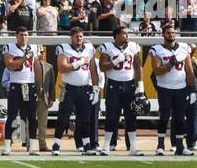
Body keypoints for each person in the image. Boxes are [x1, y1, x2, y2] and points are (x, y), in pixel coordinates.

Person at [150, 23, 197, 156]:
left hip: (181, 88)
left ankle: (180, 146)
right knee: (164, 117)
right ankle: (160, 145)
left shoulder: (184, 47)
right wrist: (170, 64)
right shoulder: (157, 49)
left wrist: (192, 89)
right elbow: (157, 71)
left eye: (173, 33)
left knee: (180, 118)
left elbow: (189, 70)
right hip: (165, 88)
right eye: (169, 33)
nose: (171, 35)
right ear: (163, 35)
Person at [98, 24, 144, 156]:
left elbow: (138, 66)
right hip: (113, 86)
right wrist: (116, 61)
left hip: (129, 86)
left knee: (131, 116)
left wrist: (140, 86)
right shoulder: (107, 47)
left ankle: (133, 147)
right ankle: (106, 146)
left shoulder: (133, 46)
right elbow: (102, 67)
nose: (127, 36)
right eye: (124, 34)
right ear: (117, 35)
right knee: (112, 117)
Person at [53, 26, 98, 156]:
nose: (79, 39)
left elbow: (93, 69)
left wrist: (95, 88)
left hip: (85, 88)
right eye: (76, 36)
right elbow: (62, 68)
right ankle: (56, 144)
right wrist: (79, 63)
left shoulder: (89, 48)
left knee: (85, 119)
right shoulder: (63, 48)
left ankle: (86, 144)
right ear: (71, 37)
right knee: (63, 117)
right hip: (69, 88)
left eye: (80, 36)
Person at [1, 26, 41, 155]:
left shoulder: (34, 47)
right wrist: (25, 58)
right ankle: (7, 145)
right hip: (16, 84)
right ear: (16, 36)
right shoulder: (10, 47)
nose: (24, 37)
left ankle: (32, 146)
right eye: (21, 35)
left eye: (26, 35)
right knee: (12, 115)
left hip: (29, 84)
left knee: (31, 116)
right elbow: (10, 65)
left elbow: (37, 68)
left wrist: (39, 85)